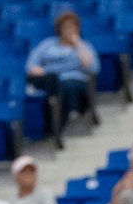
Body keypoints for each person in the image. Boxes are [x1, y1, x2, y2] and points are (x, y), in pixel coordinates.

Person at [25, 10, 98, 146]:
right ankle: (52, 128)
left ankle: (55, 129)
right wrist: (43, 72)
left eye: (72, 27)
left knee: (65, 87)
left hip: (75, 82)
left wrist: (78, 44)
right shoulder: (47, 45)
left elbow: (93, 68)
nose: (69, 30)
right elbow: (30, 66)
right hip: (50, 79)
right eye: (65, 27)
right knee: (52, 83)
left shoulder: (84, 46)